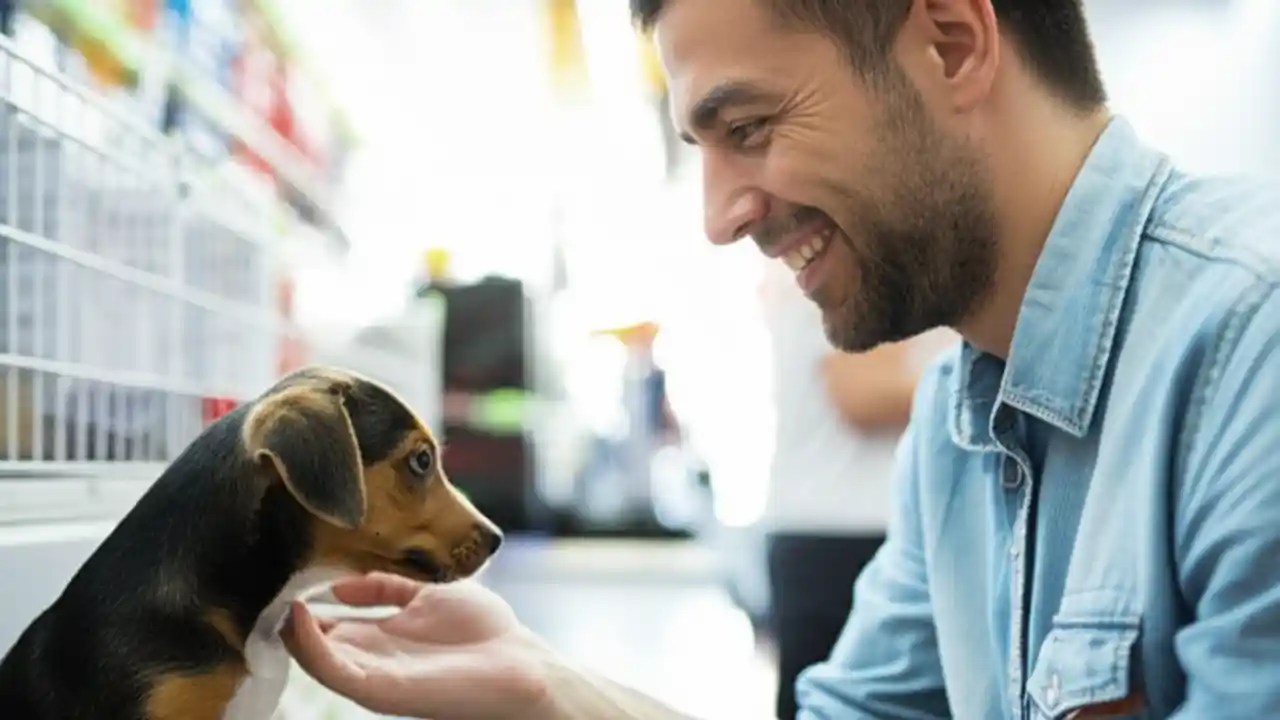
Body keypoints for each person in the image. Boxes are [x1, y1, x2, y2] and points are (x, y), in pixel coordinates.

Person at [283, 0, 1280, 717]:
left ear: (949, 43)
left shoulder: (1250, 350)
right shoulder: (956, 425)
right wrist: (551, 690)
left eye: (749, 129)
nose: (718, 217)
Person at [757, 261, 944, 719]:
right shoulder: (858, 258)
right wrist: (995, 372)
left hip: (830, 529)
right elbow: (862, 394)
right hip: (845, 536)